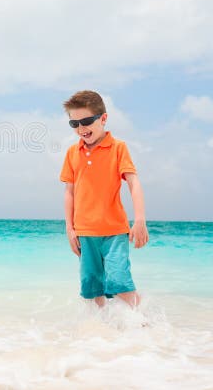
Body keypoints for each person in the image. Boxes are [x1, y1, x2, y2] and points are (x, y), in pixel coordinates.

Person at [59, 90, 148, 308]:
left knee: (119, 282)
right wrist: (69, 228)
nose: (81, 129)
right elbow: (69, 192)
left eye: (86, 121)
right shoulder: (72, 153)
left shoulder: (118, 148)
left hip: (114, 231)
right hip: (84, 233)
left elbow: (134, 183)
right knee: (92, 288)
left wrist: (140, 220)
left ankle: (141, 321)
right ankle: (101, 328)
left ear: (103, 118)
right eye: (74, 124)